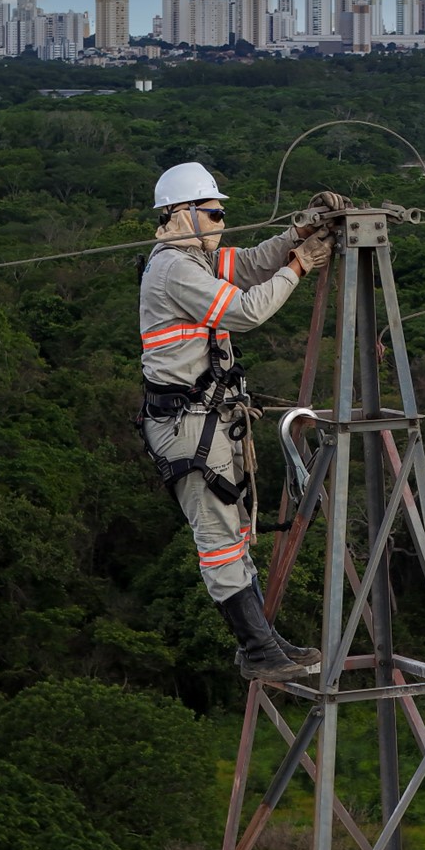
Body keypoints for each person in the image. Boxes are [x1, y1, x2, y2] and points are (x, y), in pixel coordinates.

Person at [138, 162, 344, 682]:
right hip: (187, 425)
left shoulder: (195, 259)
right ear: (183, 215)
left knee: (234, 535)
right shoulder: (176, 270)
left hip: (207, 420)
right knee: (220, 541)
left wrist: (296, 234)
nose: (221, 220)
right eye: (214, 212)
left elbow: (251, 264)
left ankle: (266, 644)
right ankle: (257, 650)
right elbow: (249, 309)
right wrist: (298, 266)